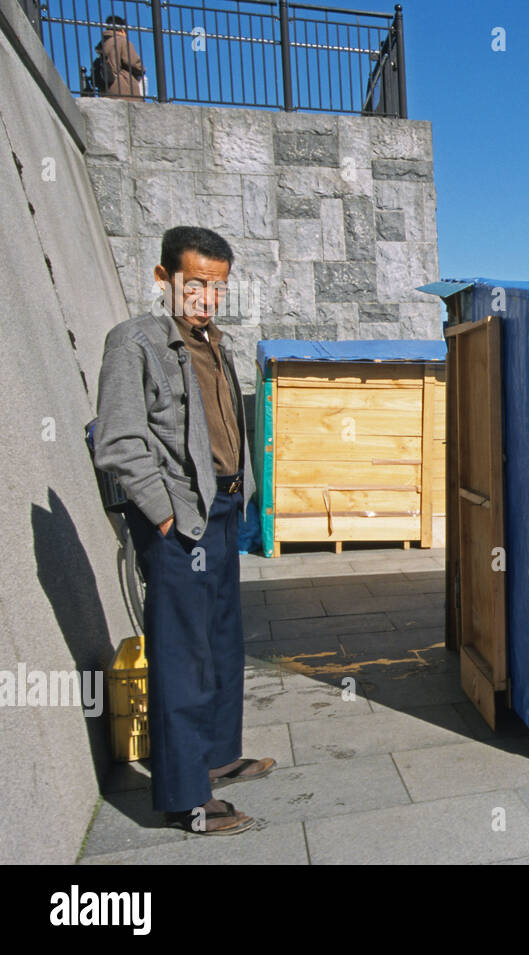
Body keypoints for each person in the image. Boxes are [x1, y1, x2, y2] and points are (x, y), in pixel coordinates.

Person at [94, 226, 273, 835]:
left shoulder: (213, 343)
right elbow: (118, 439)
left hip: (222, 514)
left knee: (222, 641)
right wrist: (165, 514)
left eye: (216, 287)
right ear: (163, 278)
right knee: (182, 656)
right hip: (179, 523)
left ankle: (217, 757)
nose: (205, 298)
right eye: (193, 283)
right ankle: (185, 799)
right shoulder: (134, 342)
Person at [93, 14, 145, 101]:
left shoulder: (103, 44)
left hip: (108, 89)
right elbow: (134, 63)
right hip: (124, 89)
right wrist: (142, 69)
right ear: (122, 29)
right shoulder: (121, 41)